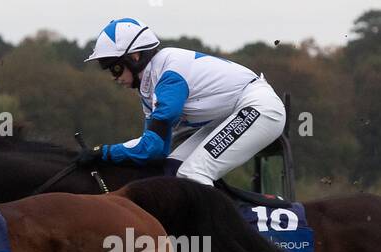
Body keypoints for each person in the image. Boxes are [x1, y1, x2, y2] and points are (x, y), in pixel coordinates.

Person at [81, 17, 286, 185]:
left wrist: (105, 153)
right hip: (231, 113)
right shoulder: (149, 87)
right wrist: (100, 152)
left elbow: (151, 149)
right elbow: (155, 149)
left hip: (260, 108)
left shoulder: (169, 77)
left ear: (134, 57)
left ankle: (219, 235)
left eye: (114, 68)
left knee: (193, 175)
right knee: (172, 172)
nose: (113, 77)